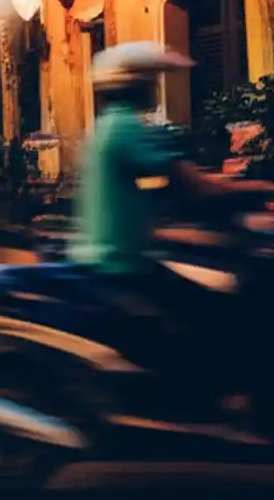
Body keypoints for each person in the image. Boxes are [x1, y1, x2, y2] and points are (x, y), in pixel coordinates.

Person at [69, 42, 262, 395]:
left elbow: (161, 183)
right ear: (136, 84)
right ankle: (219, 399)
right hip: (122, 262)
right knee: (215, 312)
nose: (156, 88)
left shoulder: (110, 126)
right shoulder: (126, 128)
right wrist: (258, 190)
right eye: (151, 80)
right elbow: (194, 184)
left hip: (116, 252)